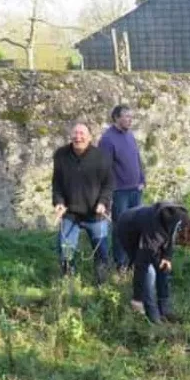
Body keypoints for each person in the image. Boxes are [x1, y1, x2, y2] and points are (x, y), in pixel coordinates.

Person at [114, 202, 190, 324]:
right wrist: (137, 298)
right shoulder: (155, 232)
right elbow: (141, 265)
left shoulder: (183, 218)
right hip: (128, 229)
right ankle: (152, 315)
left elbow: (172, 238)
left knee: (163, 266)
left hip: (148, 229)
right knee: (149, 273)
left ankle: (165, 310)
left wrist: (167, 256)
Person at [52, 121, 113, 283]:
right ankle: (69, 282)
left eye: (82, 134)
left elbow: (109, 184)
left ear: (89, 138)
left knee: (101, 251)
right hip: (70, 213)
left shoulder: (101, 157)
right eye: (75, 133)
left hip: (95, 214)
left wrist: (103, 202)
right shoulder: (61, 155)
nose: (78, 137)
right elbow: (56, 182)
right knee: (65, 250)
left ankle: (102, 284)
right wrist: (58, 202)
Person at [99, 104, 147, 273]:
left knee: (136, 226)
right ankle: (120, 264)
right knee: (121, 227)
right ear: (116, 118)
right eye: (126, 116)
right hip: (120, 192)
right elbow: (103, 168)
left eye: (131, 116)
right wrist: (108, 192)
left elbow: (137, 159)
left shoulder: (130, 135)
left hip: (135, 190)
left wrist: (142, 180)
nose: (130, 119)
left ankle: (133, 260)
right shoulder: (107, 139)